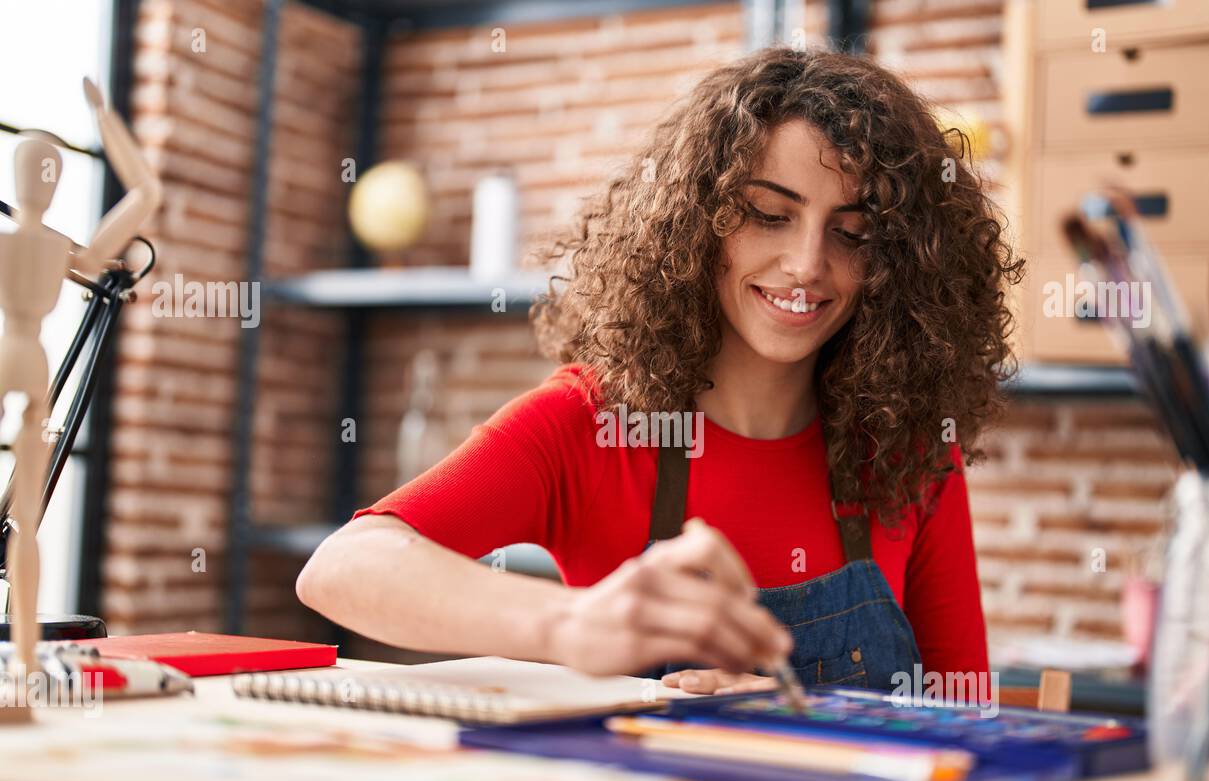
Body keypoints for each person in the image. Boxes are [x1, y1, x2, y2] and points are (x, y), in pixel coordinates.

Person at [297, 46, 1021, 697]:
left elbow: (964, 711)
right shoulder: (591, 424)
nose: (807, 263)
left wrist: (803, 720)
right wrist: (570, 622)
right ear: (698, 222)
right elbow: (345, 568)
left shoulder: (910, 452)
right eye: (769, 213)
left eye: (852, 232)